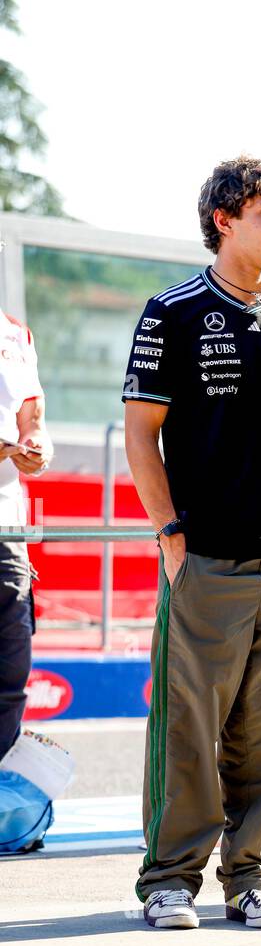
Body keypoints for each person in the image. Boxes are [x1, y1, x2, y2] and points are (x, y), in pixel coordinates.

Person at [123, 156, 261, 930]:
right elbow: (142, 437)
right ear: (225, 220)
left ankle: (253, 876)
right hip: (203, 556)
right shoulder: (170, 312)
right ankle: (170, 879)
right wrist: (171, 536)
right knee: (189, 729)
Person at [0, 282, 52, 762]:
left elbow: (31, 420)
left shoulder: (17, 334)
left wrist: (35, 448)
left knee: (10, 674)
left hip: (8, 528)